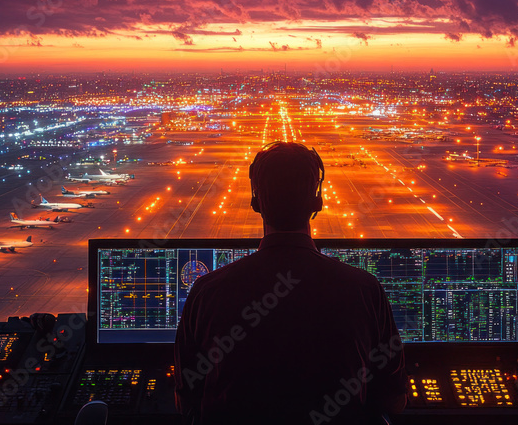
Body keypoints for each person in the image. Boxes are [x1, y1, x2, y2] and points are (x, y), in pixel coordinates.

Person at [174, 142, 407, 424]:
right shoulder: (365, 290)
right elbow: (394, 401)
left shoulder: (207, 291)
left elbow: (185, 400)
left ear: (255, 202)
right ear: (317, 201)